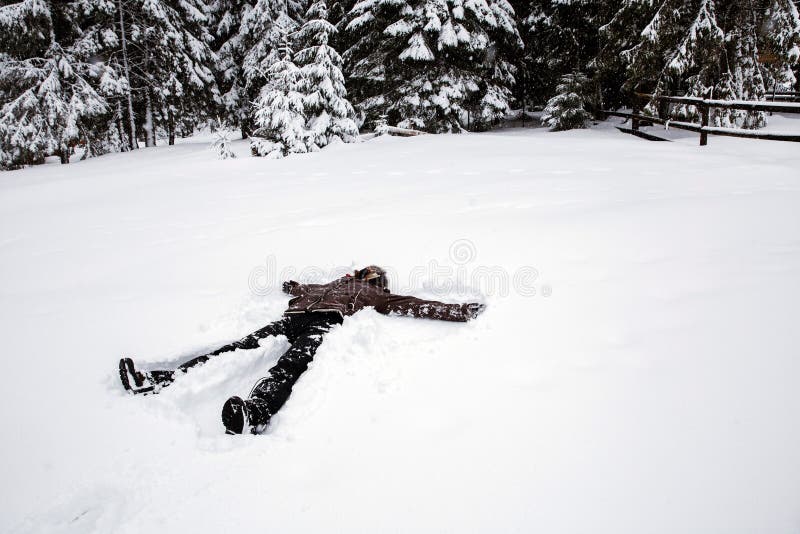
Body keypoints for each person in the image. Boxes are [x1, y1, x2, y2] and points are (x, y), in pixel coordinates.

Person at [119, 266, 486, 434]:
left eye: (373, 276)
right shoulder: (332, 283)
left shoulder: (376, 296)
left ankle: (256, 412)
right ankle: (159, 378)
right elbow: (302, 287)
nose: (367, 277)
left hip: (326, 323)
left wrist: (457, 311)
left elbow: (412, 303)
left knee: (290, 366)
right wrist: (293, 285)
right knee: (236, 347)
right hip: (293, 318)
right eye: (366, 273)